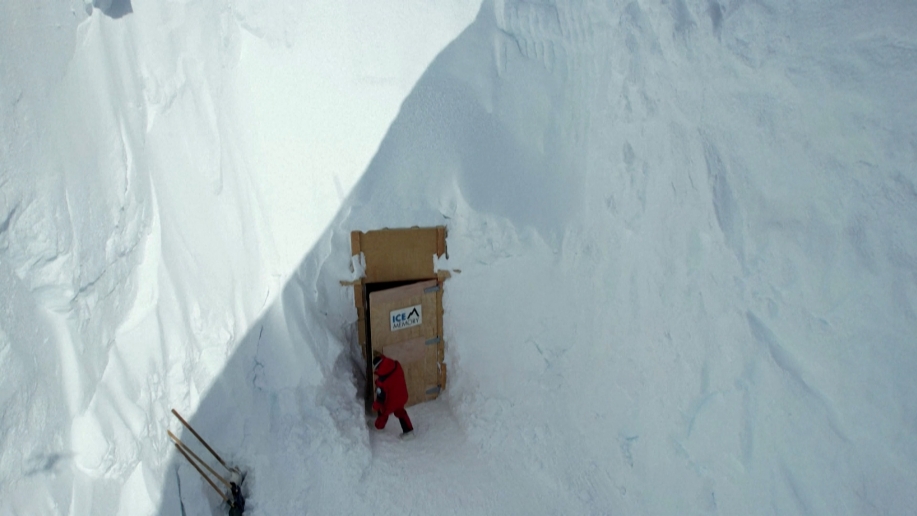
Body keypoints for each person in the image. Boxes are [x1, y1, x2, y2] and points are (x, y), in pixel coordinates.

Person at [372, 354, 414, 439]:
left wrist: (374, 407)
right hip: (402, 396)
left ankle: (378, 427)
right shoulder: (396, 365)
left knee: (383, 412)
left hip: (391, 402)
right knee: (400, 412)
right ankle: (409, 432)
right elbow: (394, 380)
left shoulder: (382, 381)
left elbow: (380, 399)